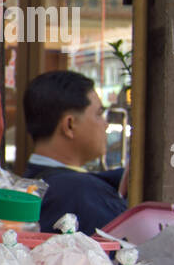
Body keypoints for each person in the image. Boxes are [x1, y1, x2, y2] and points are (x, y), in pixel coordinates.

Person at [22, 70, 128, 236]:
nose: (105, 124)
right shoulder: (80, 193)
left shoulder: (29, 185)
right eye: (99, 114)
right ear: (70, 125)